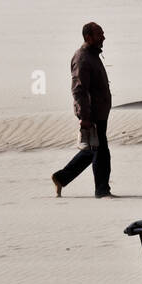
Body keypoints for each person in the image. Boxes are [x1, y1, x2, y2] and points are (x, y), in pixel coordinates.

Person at [52, 22, 115, 198]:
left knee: (93, 150)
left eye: (102, 33)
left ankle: (61, 178)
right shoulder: (82, 58)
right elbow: (79, 90)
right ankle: (102, 190)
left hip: (100, 112)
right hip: (92, 114)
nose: (103, 37)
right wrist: (85, 116)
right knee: (101, 152)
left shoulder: (93, 55)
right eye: (99, 34)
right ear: (88, 37)